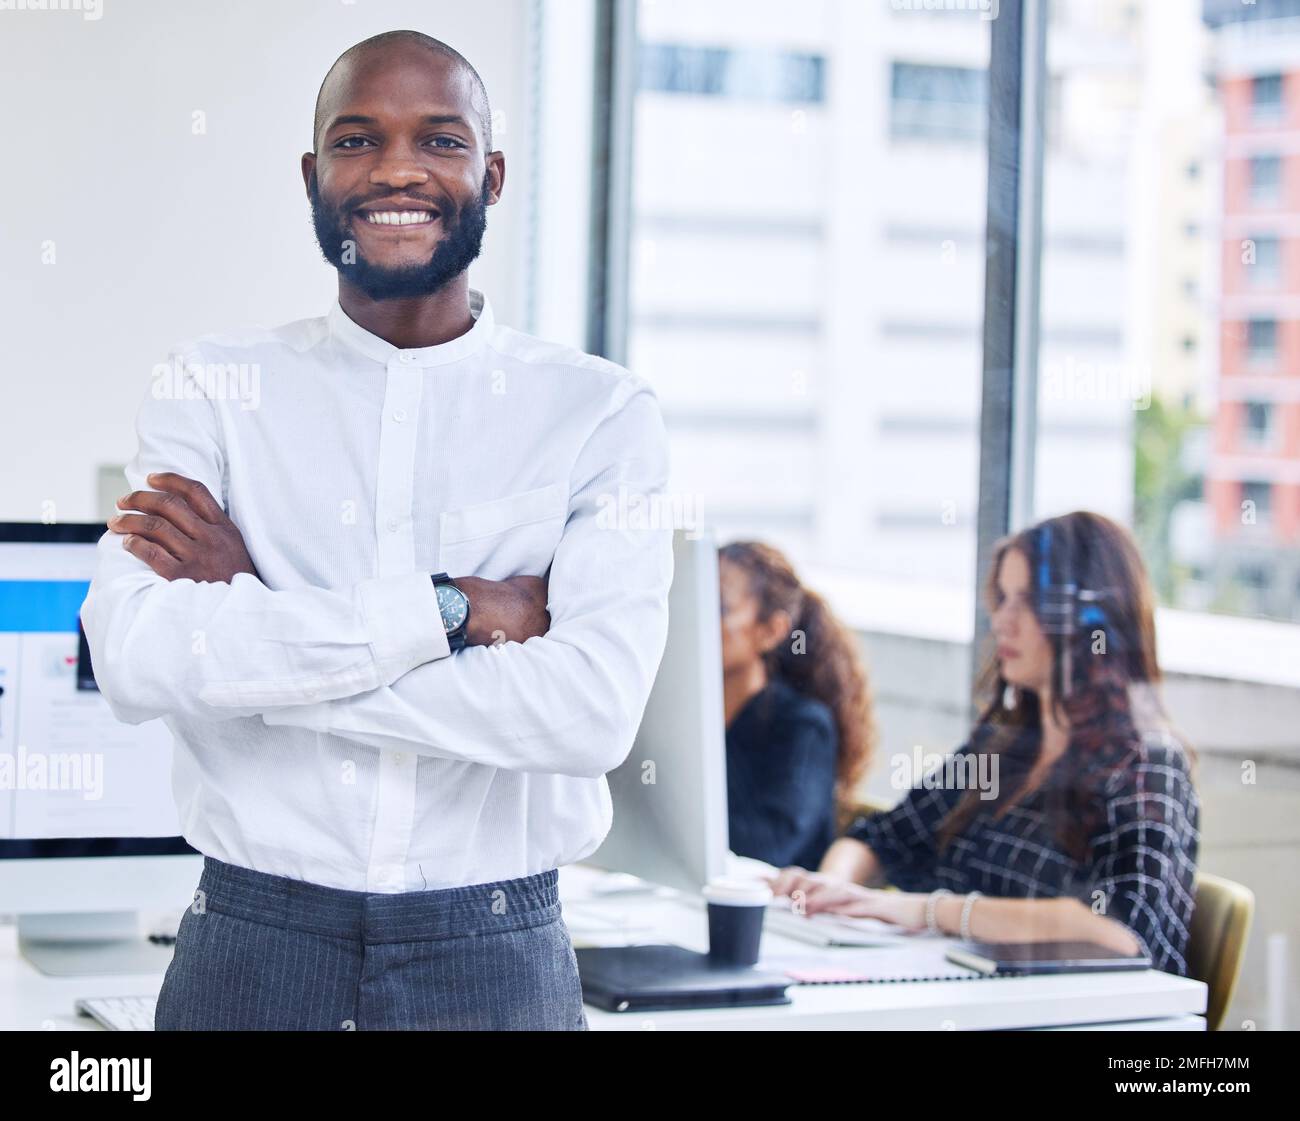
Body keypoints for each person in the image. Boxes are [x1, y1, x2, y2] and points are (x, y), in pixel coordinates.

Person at [80, 30, 674, 1030]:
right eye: (358, 140)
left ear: (490, 174)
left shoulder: (598, 413)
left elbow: (587, 715)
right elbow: (137, 657)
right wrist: (448, 613)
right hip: (249, 949)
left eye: (439, 141)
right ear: (315, 176)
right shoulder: (214, 389)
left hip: (497, 957)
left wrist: (257, 624)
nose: (397, 168)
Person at [769, 512, 1201, 975]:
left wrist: (930, 911)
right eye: (1003, 599)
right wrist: (828, 890)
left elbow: (1120, 930)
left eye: (1028, 602)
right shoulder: (1003, 746)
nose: (1002, 622)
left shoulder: (1147, 764)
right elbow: (885, 838)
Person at [719, 541, 874, 870]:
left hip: (778, 913)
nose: (696, 620)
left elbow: (768, 849)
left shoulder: (803, 726)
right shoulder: (682, 716)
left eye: (719, 608)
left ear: (771, 631)